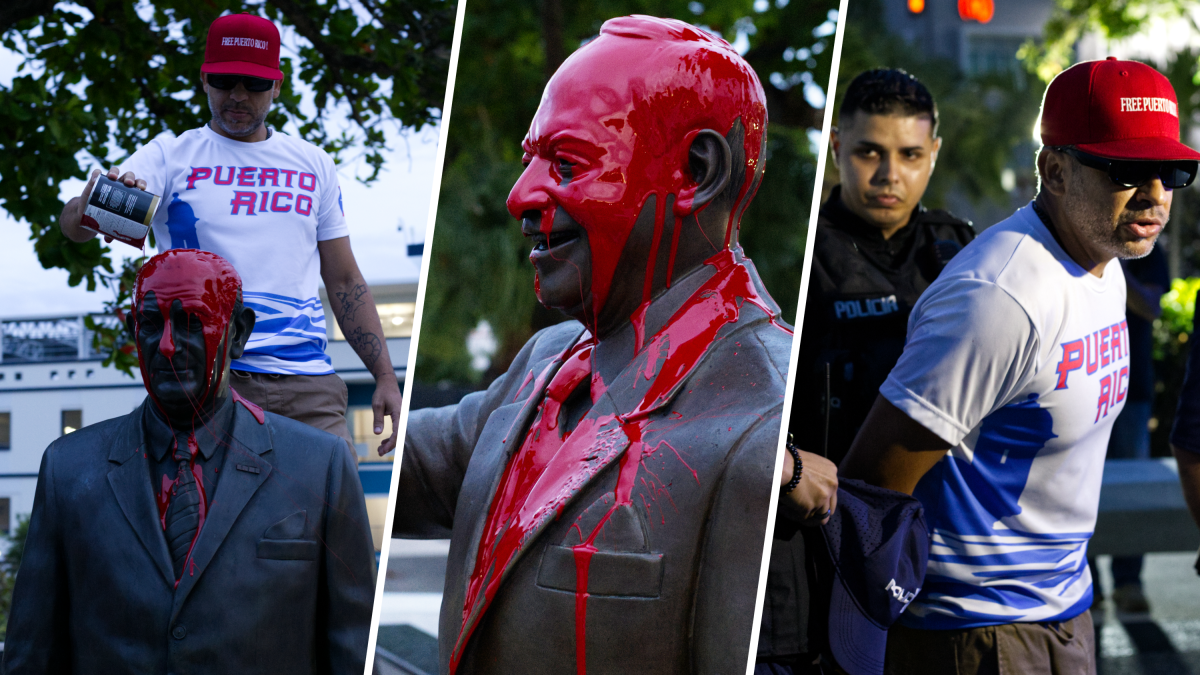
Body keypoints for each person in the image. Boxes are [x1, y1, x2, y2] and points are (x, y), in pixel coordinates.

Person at [393, 16, 832, 673]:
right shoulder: (545, 364)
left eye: (567, 162)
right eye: (530, 162)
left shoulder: (759, 420)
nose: (520, 196)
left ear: (696, 172)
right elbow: (405, 461)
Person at [839, 57, 1200, 674]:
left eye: (1172, 171)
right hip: (972, 635)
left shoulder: (1104, 264)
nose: (1156, 194)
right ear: (1054, 171)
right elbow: (872, 486)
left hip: (1065, 611)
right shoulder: (998, 296)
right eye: (1126, 170)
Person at [4, 249, 376, 674]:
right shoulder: (68, 469)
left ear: (238, 335)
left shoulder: (319, 464)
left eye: (190, 323)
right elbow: (31, 654)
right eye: (150, 324)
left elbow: (354, 650)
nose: (166, 345)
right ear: (132, 331)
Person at [57, 12, 403, 455]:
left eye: (255, 84)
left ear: (278, 85)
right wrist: (90, 206)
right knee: (204, 522)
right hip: (207, 380)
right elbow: (77, 228)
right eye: (225, 81)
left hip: (308, 385)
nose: (238, 96)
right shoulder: (169, 155)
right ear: (204, 80)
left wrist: (386, 376)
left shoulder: (314, 163)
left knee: (334, 517)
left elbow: (345, 280)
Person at [758, 68, 972, 675]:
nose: (888, 175)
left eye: (909, 155)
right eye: (869, 152)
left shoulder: (960, 251)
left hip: (934, 552)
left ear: (933, 153)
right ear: (836, 148)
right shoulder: (796, 258)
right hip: (818, 546)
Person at [1089, 241, 1170, 613]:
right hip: (1080, 389)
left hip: (1132, 389)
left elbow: (1150, 307)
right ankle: (1087, 582)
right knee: (1078, 485)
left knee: (1130, 486)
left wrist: (1111, 263)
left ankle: (1128, 581)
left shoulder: (1146, 247)